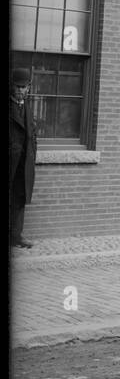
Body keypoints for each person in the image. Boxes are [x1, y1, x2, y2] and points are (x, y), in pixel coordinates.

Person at [10, 67, 36, 248]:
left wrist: (32, 155)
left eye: (24, 87)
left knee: (19, 200)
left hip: (23, 164)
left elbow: (33, 135)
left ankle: (16, 236)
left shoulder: (27, 107)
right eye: (18, 87)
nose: (21, 91)